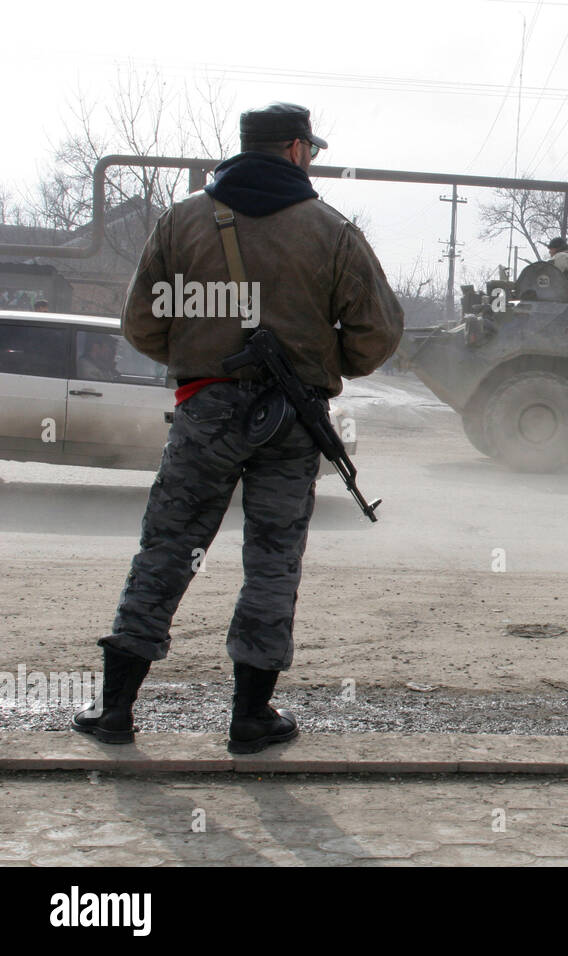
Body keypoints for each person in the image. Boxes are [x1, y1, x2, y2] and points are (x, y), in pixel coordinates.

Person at [73, 102, 404, 753]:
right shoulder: (333, 232)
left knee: (167, 549)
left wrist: (203, 358)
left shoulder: (182, 220)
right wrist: (312, 363)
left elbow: (141, 324)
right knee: (273, 561)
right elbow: (378, 335)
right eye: (310, 148)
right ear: (294, 150)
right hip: (291, 419)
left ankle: (115, 712)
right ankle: (251, 718)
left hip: (205, 412)